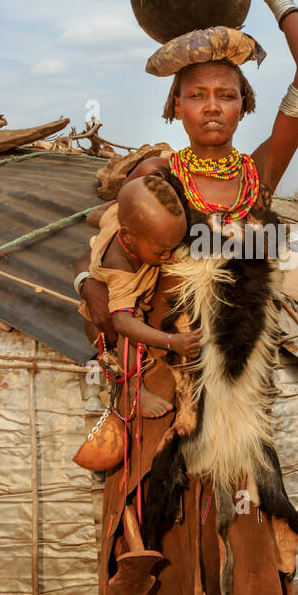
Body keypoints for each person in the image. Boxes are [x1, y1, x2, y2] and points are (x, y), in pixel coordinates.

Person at [76, 0, 298, 595]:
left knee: (245, 545)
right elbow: (103, 290)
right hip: (155, 403)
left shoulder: (257, 178)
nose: (213, 106)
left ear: (241, 105)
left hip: (233, 399)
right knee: (151, 552)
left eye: (226, 95)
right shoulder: (155, 183)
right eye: (197, 94)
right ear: (176, 105)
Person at [75, 172, 200, 417]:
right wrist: (171, 341)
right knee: (131, 326)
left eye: (174, 248)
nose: (170, 256)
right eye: (162, 252)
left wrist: (98, 216)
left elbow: (101, 216)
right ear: (128, 238)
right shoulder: (121, 268)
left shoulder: (119, 219)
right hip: (107, 322)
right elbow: (121, 322)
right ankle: (135, 391)